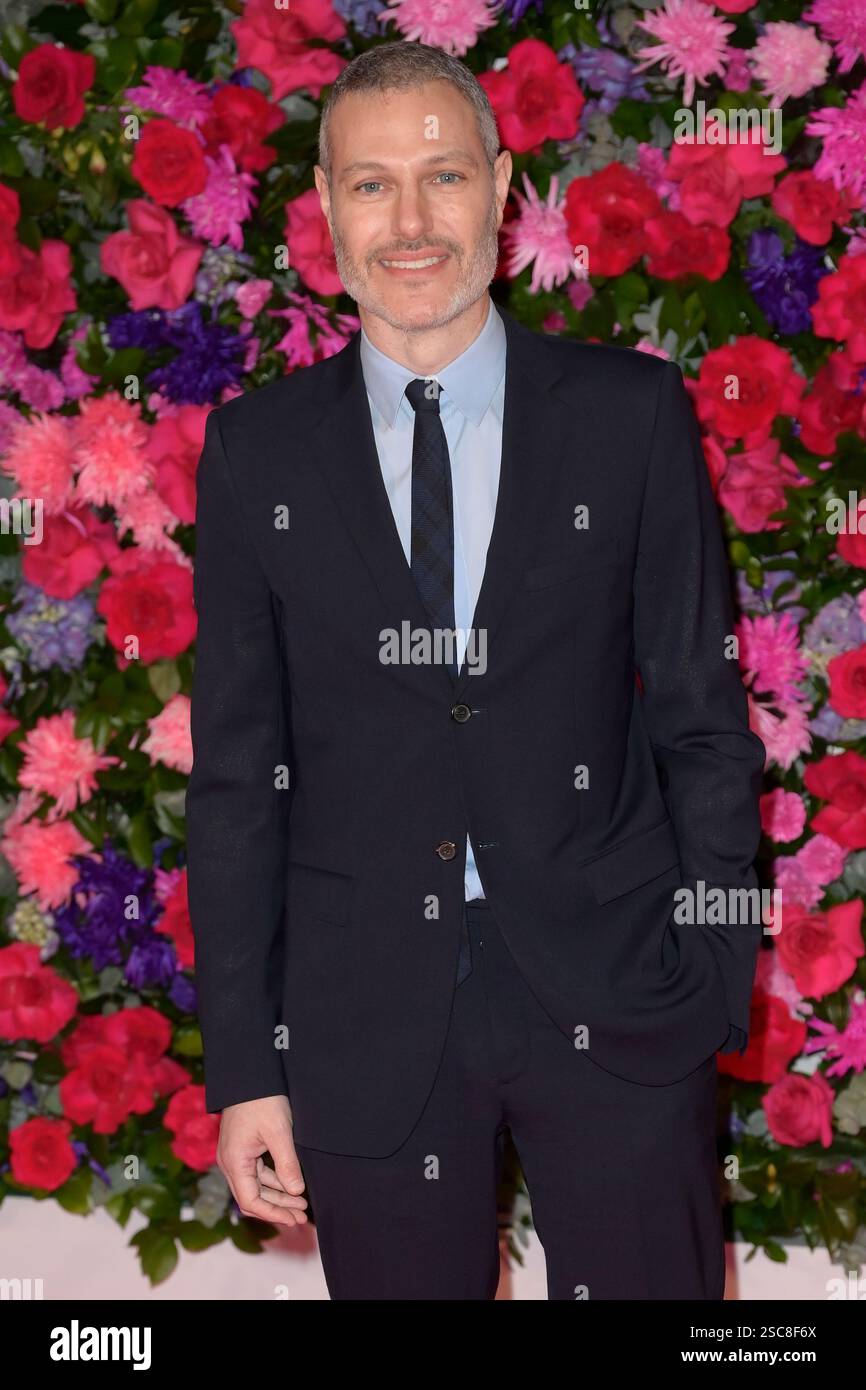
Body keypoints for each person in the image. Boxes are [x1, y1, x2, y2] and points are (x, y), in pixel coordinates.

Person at [186, 40, 767, 1300]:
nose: (408, 221)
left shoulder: (630, 418)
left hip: (621, 1002)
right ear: (325, 208)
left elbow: (702, 723)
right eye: (369, 183)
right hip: (363, 1022)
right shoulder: (253, 456)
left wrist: (715, 980)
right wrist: (244, 1067)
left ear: (502, 191)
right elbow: (237, 780)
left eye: (442, 176)